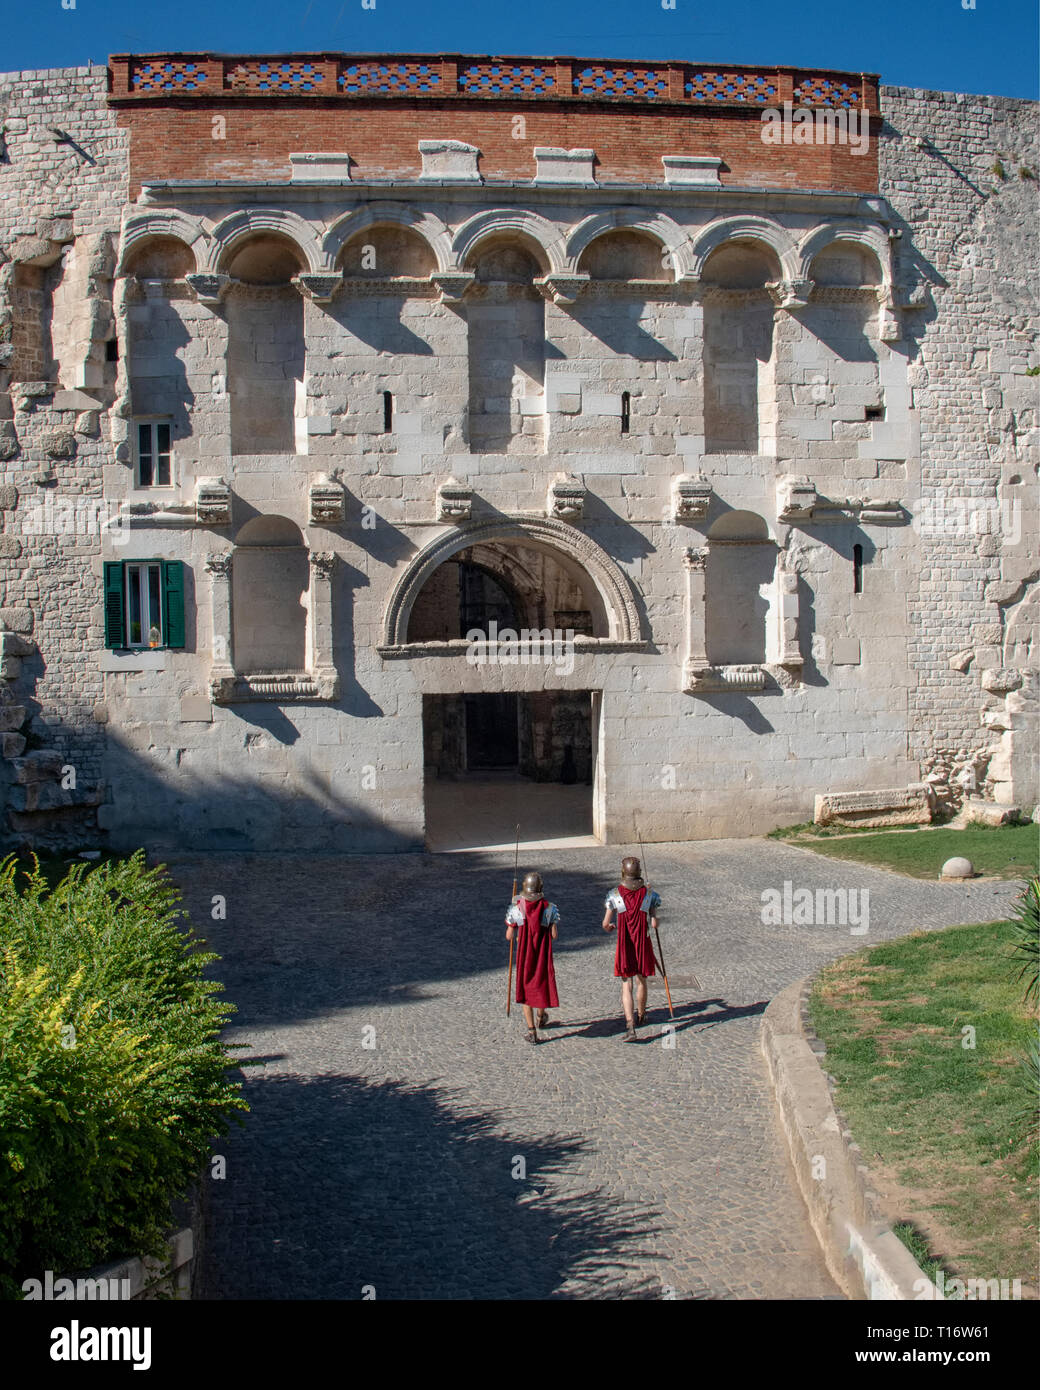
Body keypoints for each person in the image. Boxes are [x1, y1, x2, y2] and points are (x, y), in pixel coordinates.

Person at [602, 856, 661, 1042]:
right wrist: (654, 918)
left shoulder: (615, 894)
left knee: (626, 984)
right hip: (642, 942)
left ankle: (630, 1025)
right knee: (641, 980)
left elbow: (605, 923)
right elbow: (654, 923)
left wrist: (610, 927)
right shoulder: (649, 894)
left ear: (623, 872)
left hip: (625, 943)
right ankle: (642, 1014)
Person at [505, 870, 560, 1045]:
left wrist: (514, 924)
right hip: (542, 954)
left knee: (525, 989)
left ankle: (531, 1031)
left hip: (525, 955)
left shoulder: (518, 908)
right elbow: (554, 935)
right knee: (541, 984)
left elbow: (509, 936)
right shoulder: (549, 908)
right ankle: (541, 1016)